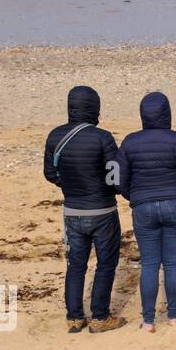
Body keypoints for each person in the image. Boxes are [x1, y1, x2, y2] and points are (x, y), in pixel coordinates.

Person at [115, 92, 176, 332]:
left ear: (143, 115)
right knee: (173, 262)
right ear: (167, 113)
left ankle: (148, 321)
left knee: (150, 264)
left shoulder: (130, 142)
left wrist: (133, 196)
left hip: (144, 206)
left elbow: (117, 179)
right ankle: (174, 317)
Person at [43, 86, 127, 334]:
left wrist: (69, 186)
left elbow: (50, 174)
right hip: (103, 212)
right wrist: (103, 190)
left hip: (72, 212)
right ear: (95, 108)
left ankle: (74, 318)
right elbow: (115, 177)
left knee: (75, 265)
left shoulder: (55, 136)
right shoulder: (103, 137)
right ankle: (100, 317)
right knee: (106, 264)